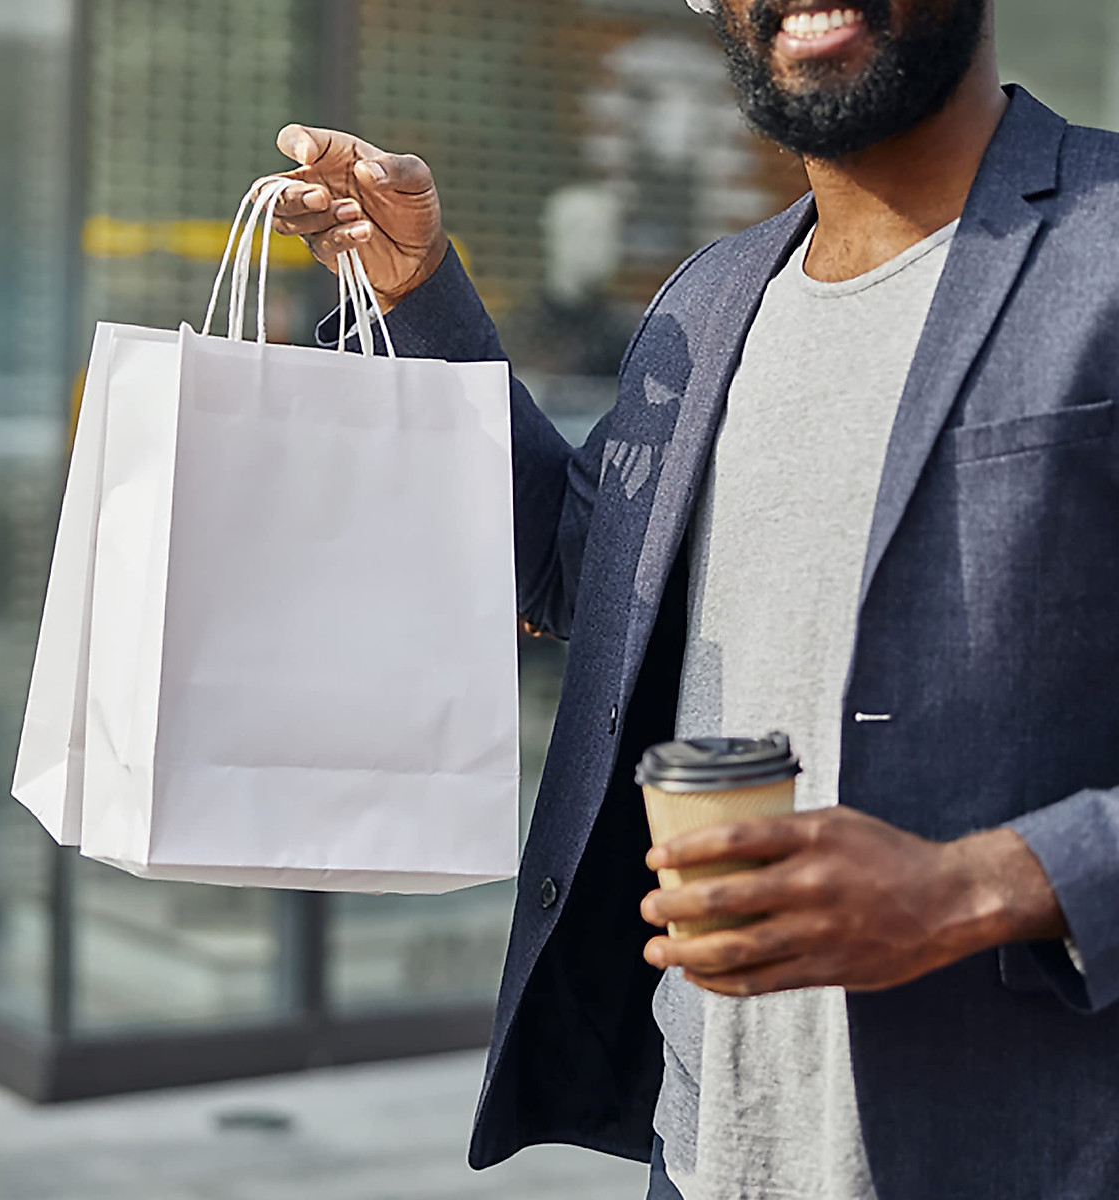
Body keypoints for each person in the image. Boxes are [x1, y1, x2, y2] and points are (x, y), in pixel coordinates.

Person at [268, 1, 1119, 1196]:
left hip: (1028, 1150)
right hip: (709, 1147)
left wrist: (975, 890)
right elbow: (576, 572)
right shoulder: (714, 298)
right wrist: (414, 296)